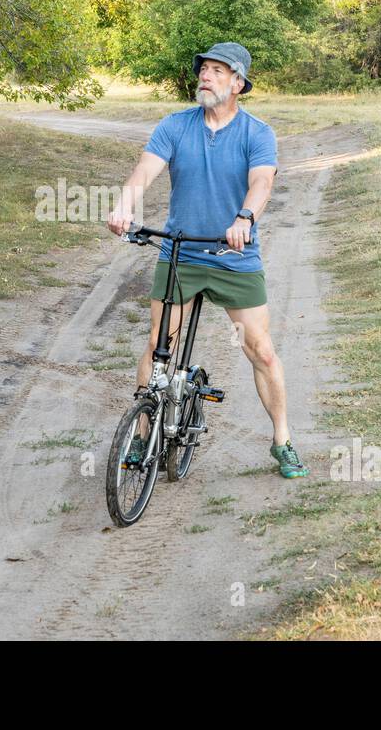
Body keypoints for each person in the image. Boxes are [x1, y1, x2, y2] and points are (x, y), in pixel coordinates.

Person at [107, 42, 307, 479]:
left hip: (234, 255)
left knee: (262, 352)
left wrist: (245, 218)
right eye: (203, 69)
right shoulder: (176, 126)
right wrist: (125, 206)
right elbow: (144, 172)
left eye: (218, 71)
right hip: (181, 251)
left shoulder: (257, 133)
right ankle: (143, 432)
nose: (206, 76)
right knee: (159, 347)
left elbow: (261, 184)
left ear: (238, 84)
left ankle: (283, 440)